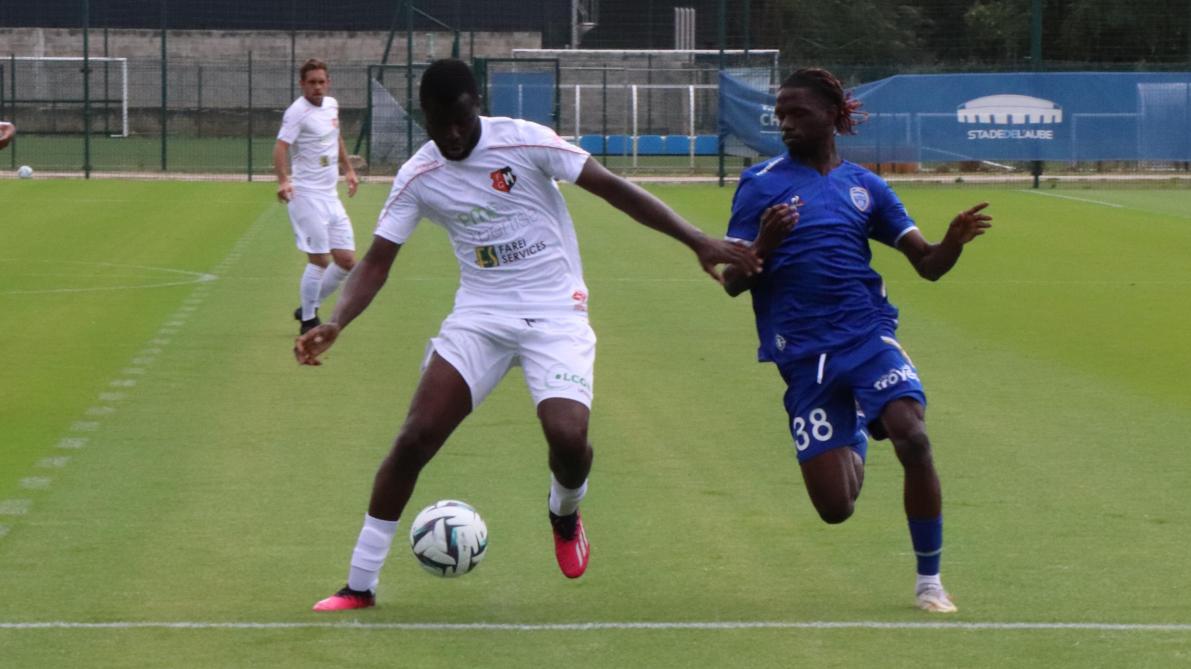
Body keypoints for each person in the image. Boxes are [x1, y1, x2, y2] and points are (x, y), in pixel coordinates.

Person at [295, 59, 761, 611]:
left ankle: (564, 512)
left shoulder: (524, 141)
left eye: (462, 121)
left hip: (555, 312)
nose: (452, 134)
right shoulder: (419, 176)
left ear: (477, 107)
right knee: (415, 437)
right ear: (425, 116)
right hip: (480, 316)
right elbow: (375, 262)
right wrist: (336, 321)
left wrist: (697, 240)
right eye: (440, 123)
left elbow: (613, 189)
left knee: (567, 436)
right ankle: (359, 583)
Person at [721, 68, 992, 613]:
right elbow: (733, 281)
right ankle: (855, 431)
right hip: (802, 355)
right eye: (781, 116)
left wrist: (953, 242)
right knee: (835, 507)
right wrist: (766, 241)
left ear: (832, 115)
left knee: (913, 437)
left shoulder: (867, 188)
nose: (786, 125)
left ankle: (929, 584)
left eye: (798, 114)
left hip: (866, 336)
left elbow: (928, 265)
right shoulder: (760, 184)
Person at [274, 58, 360, 335]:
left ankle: (308, 305)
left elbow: (337, 138)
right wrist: (284, 181)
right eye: (311, 82)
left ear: (328, 82)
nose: (317, 87)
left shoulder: (332, 105)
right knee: (320, 260)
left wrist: (348, 170)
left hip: (330, 195)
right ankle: (308, 321)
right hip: (307, 195)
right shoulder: (296, 112)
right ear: (302, 84)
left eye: (321, 82)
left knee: (346, 260)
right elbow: (281, 147)